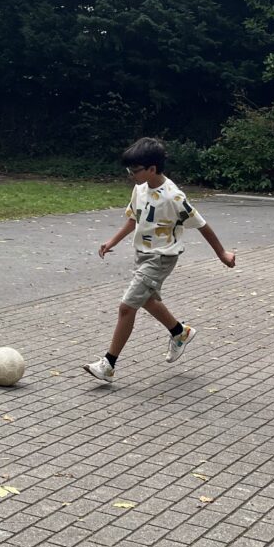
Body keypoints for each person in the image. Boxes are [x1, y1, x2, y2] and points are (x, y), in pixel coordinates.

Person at [84, 137, 237, 383]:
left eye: (135, 170)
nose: (131, 175)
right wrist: (112, 241)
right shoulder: (140, 189)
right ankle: (180, 332)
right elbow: (133, 219)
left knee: (127, 306)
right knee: (147, 301)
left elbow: (202, 225)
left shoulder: (173, 197)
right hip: (142, 255)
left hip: (161, 257)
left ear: (152, 169)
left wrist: (222, 254)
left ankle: (108, 364)